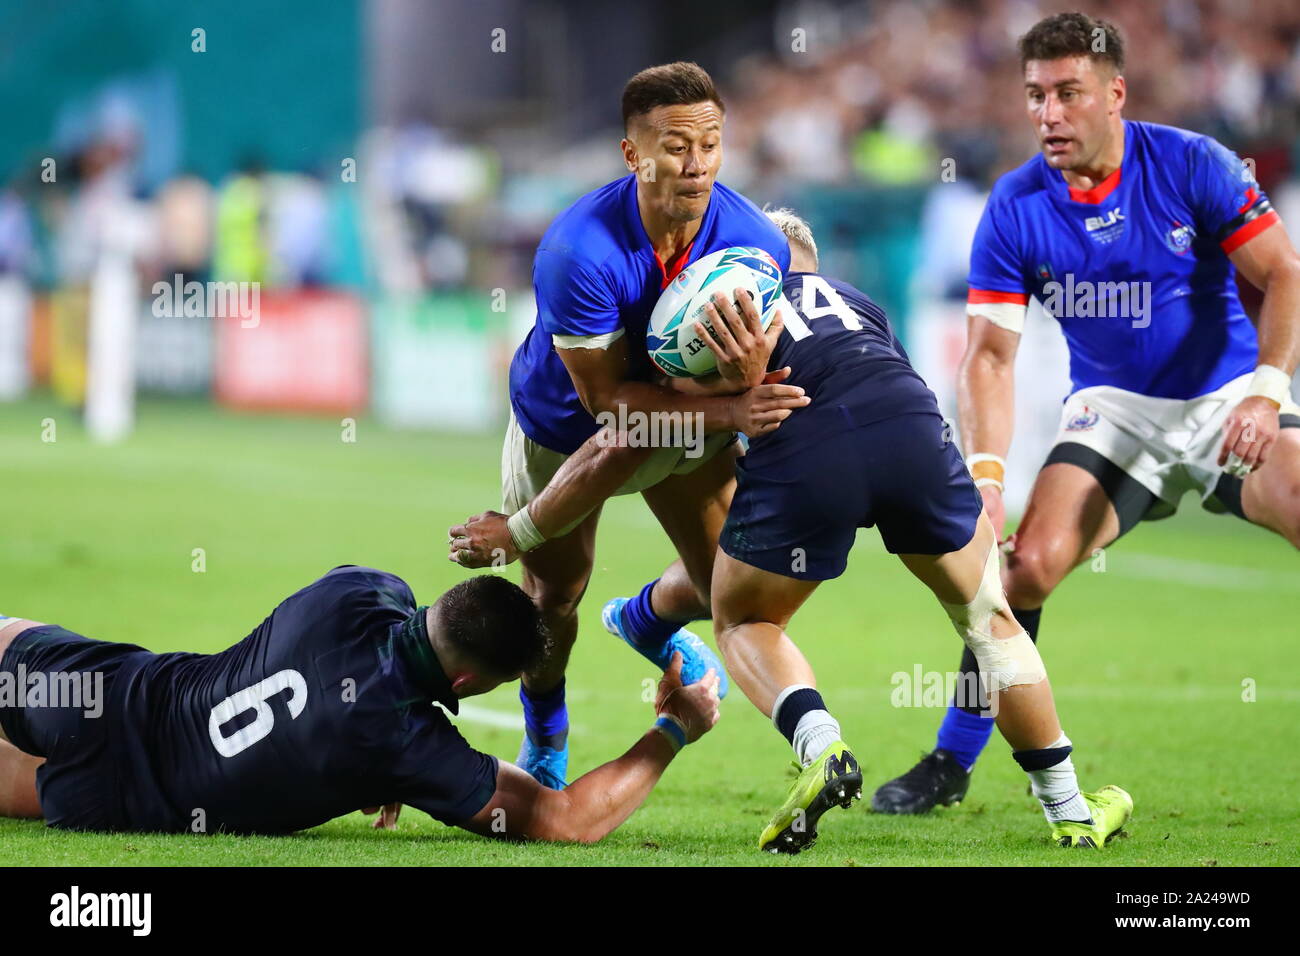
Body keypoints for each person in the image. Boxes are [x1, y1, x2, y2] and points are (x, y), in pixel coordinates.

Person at [450, 210, 1133, 854]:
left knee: (744, 617)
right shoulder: (856, 299)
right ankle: (1070, 809)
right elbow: (886, 377)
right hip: (911, 430)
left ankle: (821, 744)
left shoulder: (716, 309)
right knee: (991, 624)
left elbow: (631, 437)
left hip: (811, 460)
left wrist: (520, 530)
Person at [874, 11, 1300, 815]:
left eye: (1068, 93)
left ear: (1115, 94)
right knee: (1020, 570)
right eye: (1035, 95)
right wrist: (990, 478)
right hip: (1113, 413)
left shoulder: (1191, 164)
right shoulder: (1014, 206)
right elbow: (991, 357)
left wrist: (1266, 391)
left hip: (1224, 397)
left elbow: (1285, 275)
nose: (1048, 114)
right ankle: (949, 761)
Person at [501, 60, 807, 789]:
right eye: (675, 146)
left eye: (710, 144)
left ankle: (644, 619)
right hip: (567, 429)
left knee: (732, 590)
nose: (696, 165)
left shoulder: (756, 242)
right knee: (553, 601)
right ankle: (546, 732)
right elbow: (609, 405)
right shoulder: (579, 251)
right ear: (633, 154)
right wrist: (732, 407)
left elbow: (765, 366)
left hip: (689, 423)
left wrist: (746, 385)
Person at [0, 567, 719, 839]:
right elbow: (564, 820)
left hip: (111, 687)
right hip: (124, 792)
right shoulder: (408, 746)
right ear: (467, 685)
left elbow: (362, 663)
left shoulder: (357, 592)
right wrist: (672, 728)